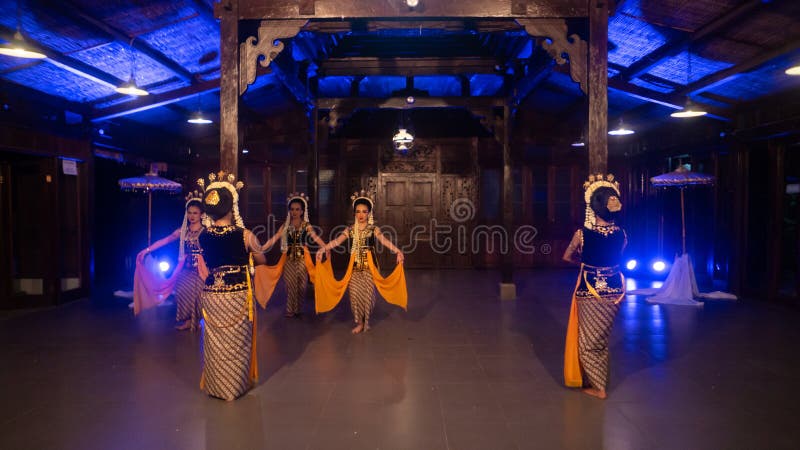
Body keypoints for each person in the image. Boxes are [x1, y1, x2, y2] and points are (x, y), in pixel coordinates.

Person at [195, 171, 263, 401]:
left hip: (212, 294)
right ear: (231, 206)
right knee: (237, 342)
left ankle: (216, 387)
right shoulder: (245, 235)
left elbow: (203, 269)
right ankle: (233, 388)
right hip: (238, 295)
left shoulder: (202, 237)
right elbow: (262, 258)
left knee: (215, 343)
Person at [562, 173, 627, 400]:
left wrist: (583, 259)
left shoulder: (582, 234)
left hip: (590, 291)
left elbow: (566, 256)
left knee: (588, 342)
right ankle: (596, 379)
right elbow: (616, 255)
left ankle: (598, 388)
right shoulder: (622, 234)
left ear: (593, 207)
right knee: (601, 338)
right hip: (616, 291)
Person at [314, 190, 407, 334]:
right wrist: (322, 249)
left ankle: (366, 322)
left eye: (364, 211)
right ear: (355, 214)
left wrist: (397, 251)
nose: (361, 215)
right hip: (355, 269)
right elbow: (337, 241)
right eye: (358, 212)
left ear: (369, 213)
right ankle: (359, 322)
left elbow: (384, 241)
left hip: (369, 269)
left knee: (367, 296)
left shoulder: (373, 229)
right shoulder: (350, 230)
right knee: (355, 296)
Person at [133, 191, 204, 330]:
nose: (192, 216)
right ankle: (189, 321)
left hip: (201, 270)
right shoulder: (183, 231)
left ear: (201, 214)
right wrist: (147, 250)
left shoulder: (206, 231)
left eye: (195, 213)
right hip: (185, 268)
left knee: (199, 295)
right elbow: (165, 240)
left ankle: (199, 320)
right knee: (183, 292)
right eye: (189, 213)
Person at [254, 193, 328, 317]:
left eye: (297, 209)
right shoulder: (286, 225)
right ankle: (290, 310)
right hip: (288, 260)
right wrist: (261, 248)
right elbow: (275, 238)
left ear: (302, 211)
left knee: (302, 286)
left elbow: (315, 237)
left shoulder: (306, 225)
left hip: (303, 260)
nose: (294, 212)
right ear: (289, 211)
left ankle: (298, 309)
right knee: (289, 284)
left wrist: (326, 247)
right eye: (292, 209)